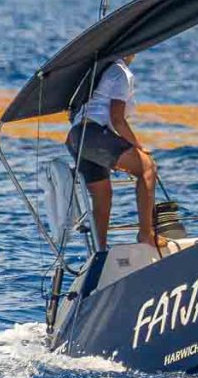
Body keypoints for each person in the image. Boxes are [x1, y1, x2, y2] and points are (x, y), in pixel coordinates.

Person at [66, 51, 159, 253]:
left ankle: (100, 252)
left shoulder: (102, 70)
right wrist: (139, 147)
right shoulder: (121, 73)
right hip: (92, 135)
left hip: (75, 137)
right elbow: (117, 119)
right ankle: (146, 235)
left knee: (103, 196)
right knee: (147, 168)